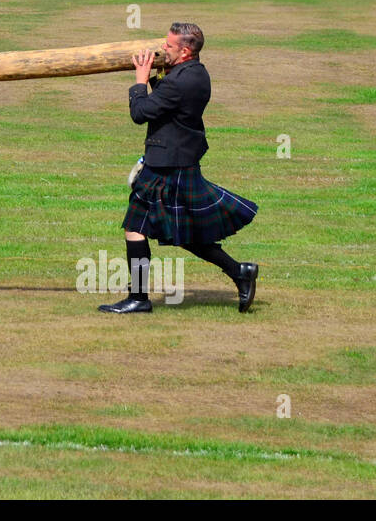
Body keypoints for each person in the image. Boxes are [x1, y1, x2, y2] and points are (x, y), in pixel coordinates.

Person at [99, 23, 259, 314]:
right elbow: (168, 104)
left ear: (185, 51)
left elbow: (141, 113)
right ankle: (239, 271)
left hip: (167, 166)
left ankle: (139, 298)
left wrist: (140, 81)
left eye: (169, 46)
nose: (164, 49)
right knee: (181, 234)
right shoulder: (197, 73)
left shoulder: (178, 81)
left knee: (136, 228)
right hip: (175, 161)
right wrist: (157, 79)